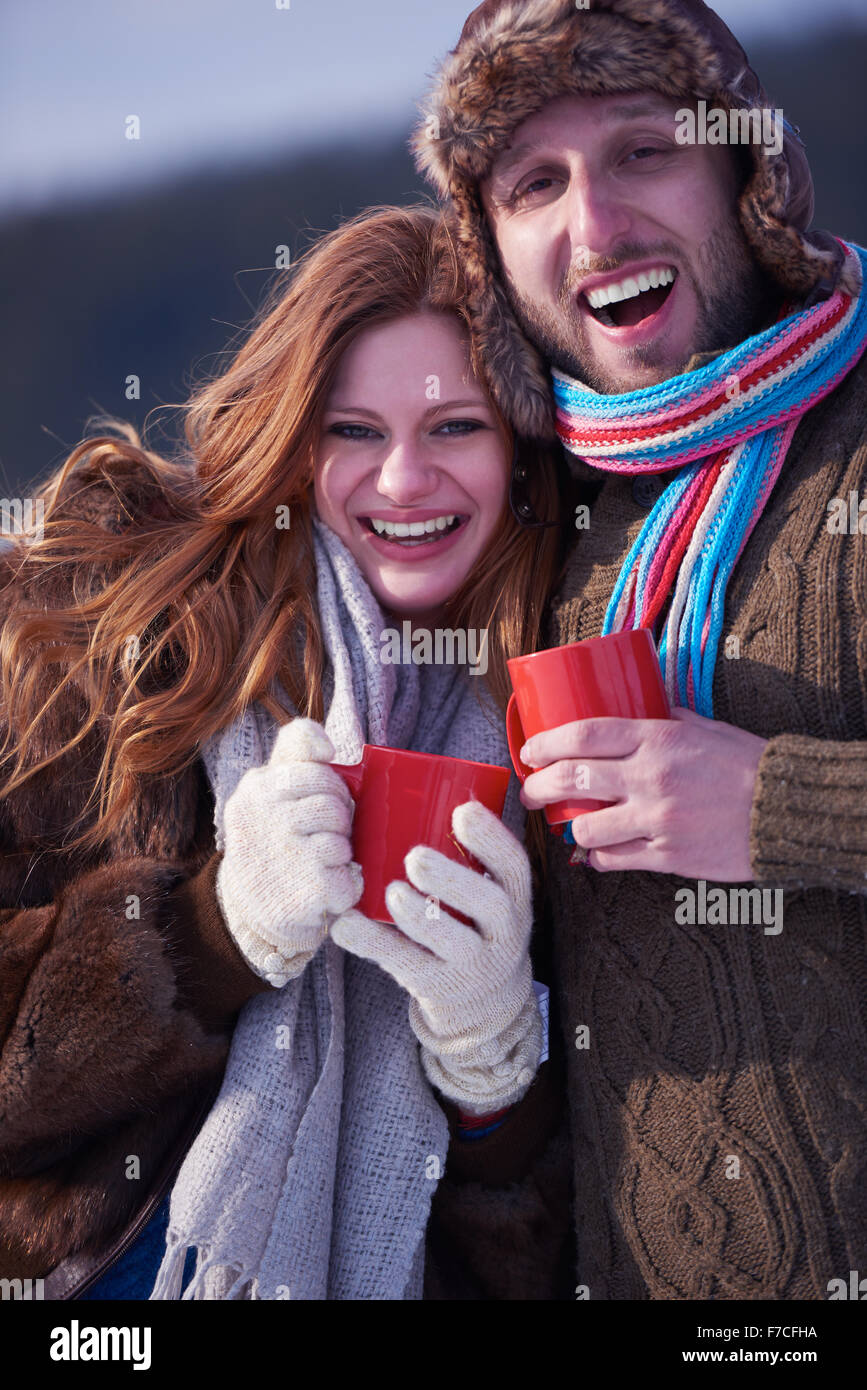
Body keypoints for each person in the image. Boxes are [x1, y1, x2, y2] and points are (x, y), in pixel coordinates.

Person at [0, 203, 575, 1300]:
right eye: (354, 431)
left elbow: (533, 1262)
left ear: (522, 451)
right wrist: (212, 933)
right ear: (291, 433)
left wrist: (494, 1063)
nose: (404, 481)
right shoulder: (99, 621)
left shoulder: (546, 719)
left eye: (456, 427)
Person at [413, 0, 867, 1298]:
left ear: (746, 175)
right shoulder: (517, 535)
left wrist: (782, 808)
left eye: (638, 151)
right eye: (532, 185)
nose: (593, 226)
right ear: (489, 250)